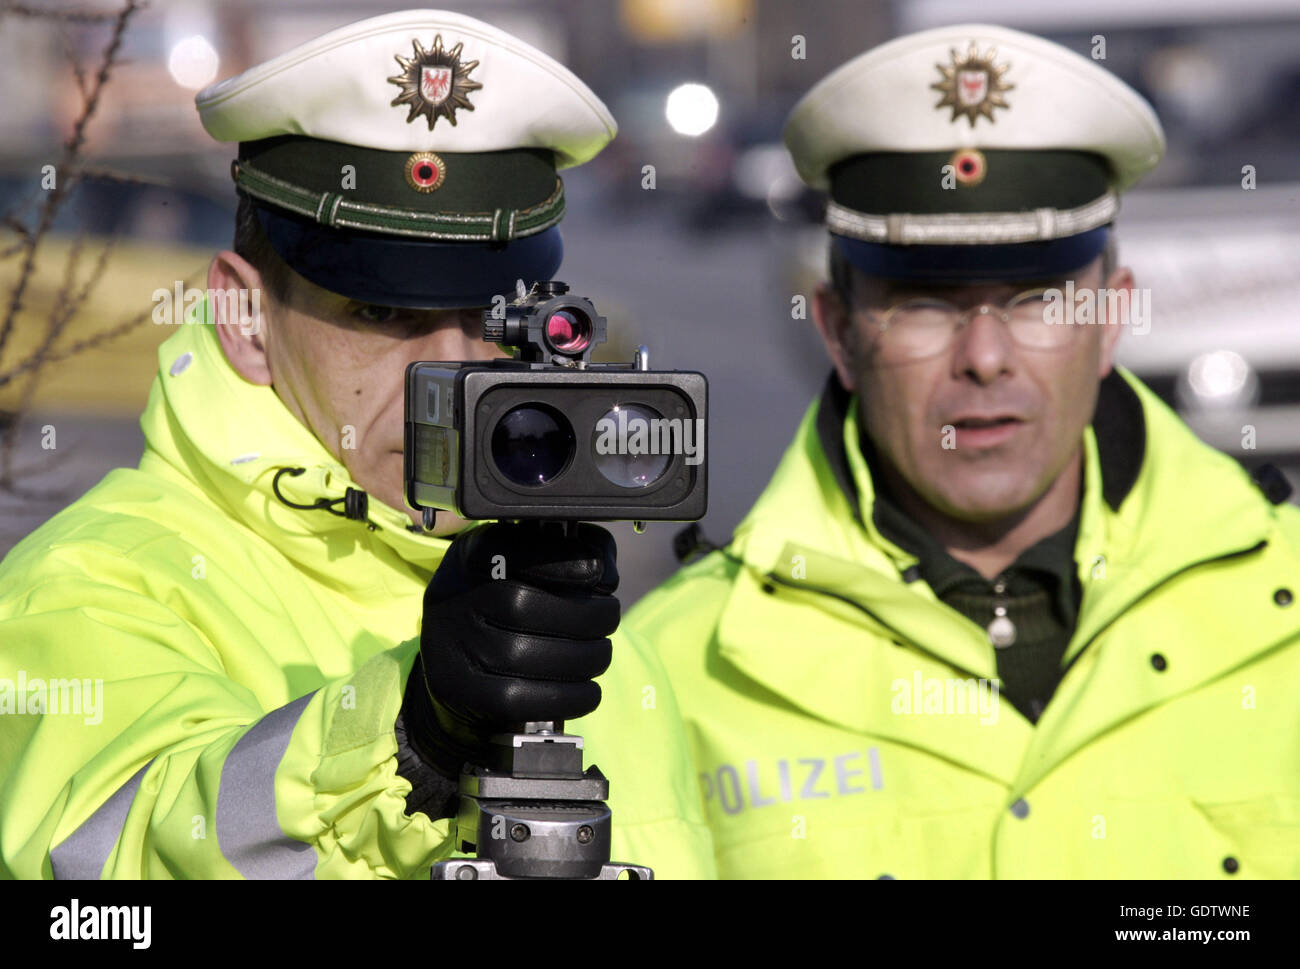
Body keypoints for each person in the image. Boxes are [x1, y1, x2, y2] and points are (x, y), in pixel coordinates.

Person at [0, 9, 714, 879]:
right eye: (380, 313)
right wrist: (413, 737)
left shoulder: (600, 643)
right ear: (244, 317)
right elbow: (110, 868)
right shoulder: (87, 589)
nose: (451, 368)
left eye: (496, 315)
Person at [620, 23, 1300, 878]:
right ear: (836, 329)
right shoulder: (670, 671)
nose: (984, 356)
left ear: (1112, 314)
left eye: (1035, 297)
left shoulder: (1289, 608)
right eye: (927, 302)